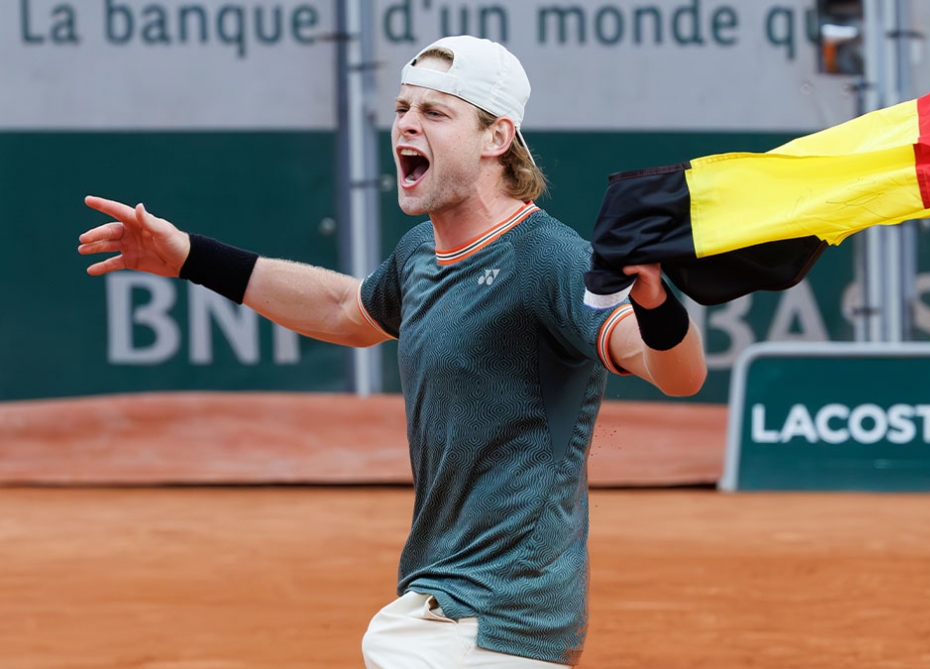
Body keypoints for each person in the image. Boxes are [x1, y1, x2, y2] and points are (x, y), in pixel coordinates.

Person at [78, 35, 707, 668]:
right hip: (444, 604)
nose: (407, 124)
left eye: (436, 113)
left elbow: (675, 373)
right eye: (403, 109)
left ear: (497, 139)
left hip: (500, 621)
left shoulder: (549, 258)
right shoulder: (418, 255)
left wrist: (655, 301)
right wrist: (188, 256)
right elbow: (343, 311)